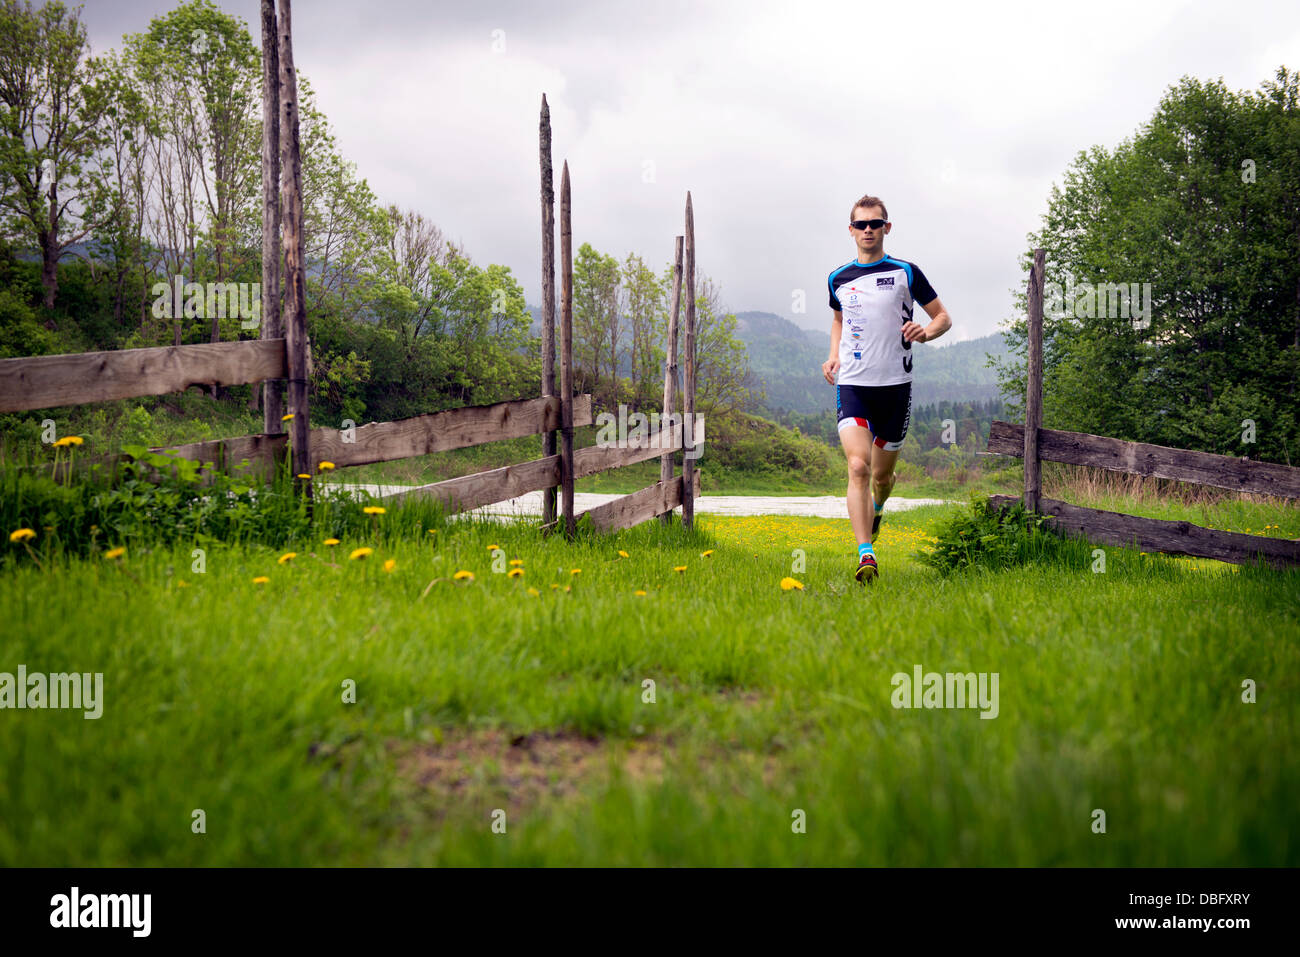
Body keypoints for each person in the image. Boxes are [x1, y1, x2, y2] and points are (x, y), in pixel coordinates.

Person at [822, 194, 952, 584]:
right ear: (850, 230)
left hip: (895, 388)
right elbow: (838, 321)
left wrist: (925, 333)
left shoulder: (906, 272)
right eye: (860, 225)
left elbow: (943, 317)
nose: (867, 231)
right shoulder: (837, 279)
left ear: (886, 228)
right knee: (857, 466)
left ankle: (878, 508)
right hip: (854, 385)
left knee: (881, 477)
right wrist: (832, 355)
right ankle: (866, 554)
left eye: (874, 224)